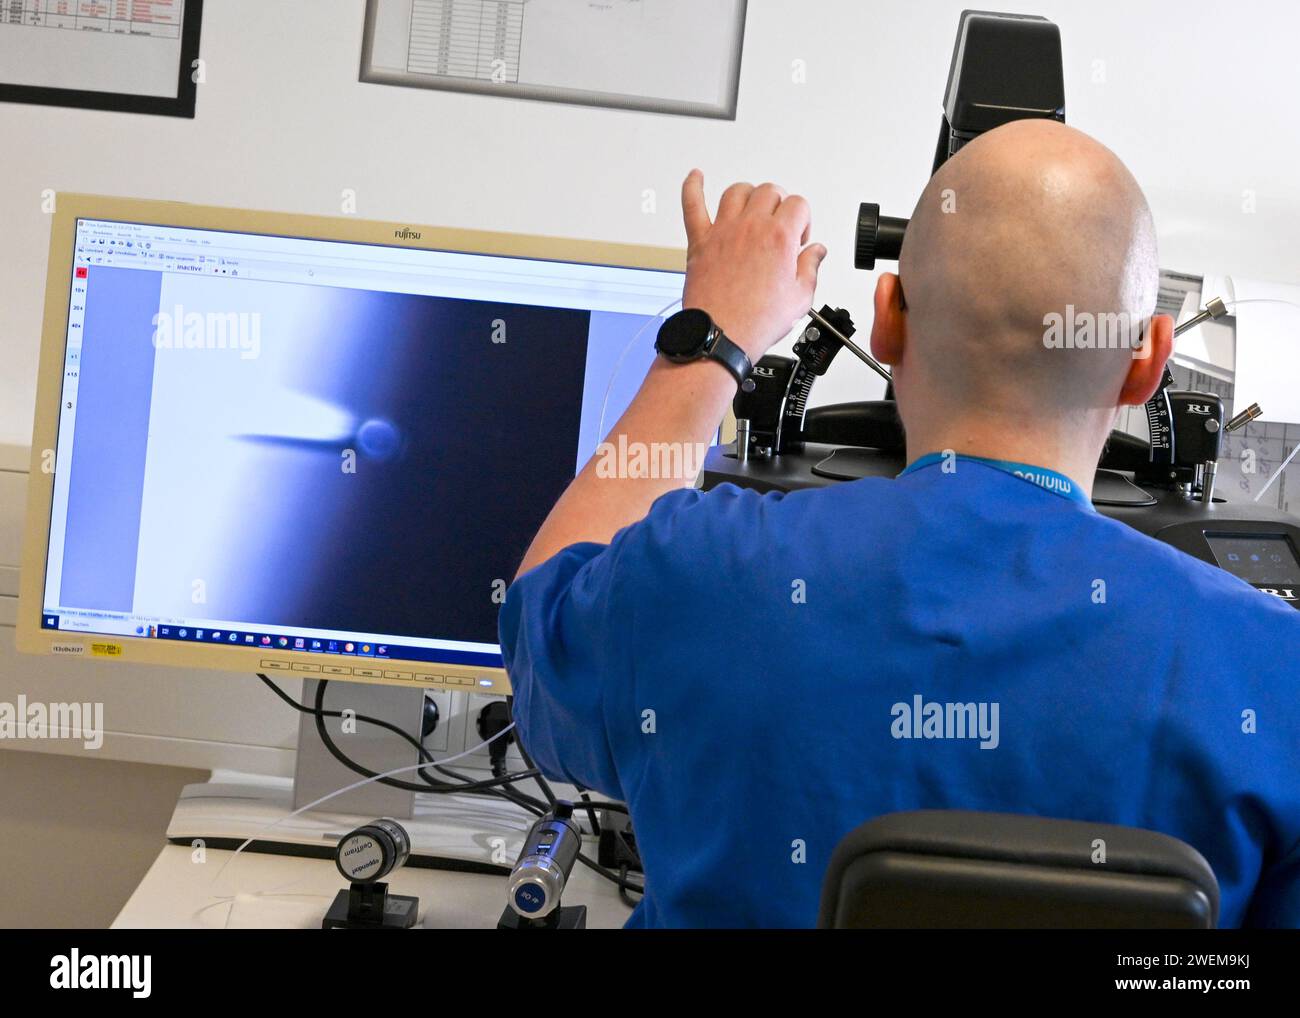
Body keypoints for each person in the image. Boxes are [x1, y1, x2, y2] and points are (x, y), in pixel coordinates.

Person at [498, 120, 1300, 928]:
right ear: (1148, 360)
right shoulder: (1275, 677)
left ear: (886, 320)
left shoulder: (698, 572)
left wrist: (710, 342)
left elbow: (539, 635)